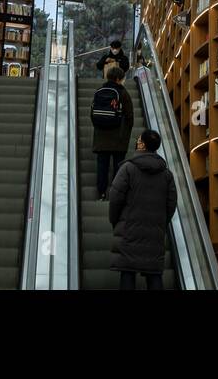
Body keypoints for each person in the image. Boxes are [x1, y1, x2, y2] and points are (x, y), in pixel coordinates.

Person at [108, 128, 177, 290]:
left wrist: (115, 221)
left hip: (129, 230)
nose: (137, 142)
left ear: (142, 145)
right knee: (154, 274)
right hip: (155, 233)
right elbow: (171, 204)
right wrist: (160, 222)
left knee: (127, 271)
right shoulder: (167, 175)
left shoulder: (128, 169)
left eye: (139, 140)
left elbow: (115, 198)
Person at [91, 65, 133, 200]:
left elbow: (92, 113)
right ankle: (116, 194)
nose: (124, 81)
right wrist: (126, 134)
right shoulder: (123, 93)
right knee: (118, 167)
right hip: (118, 138)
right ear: (118, 79)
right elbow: (129, 116)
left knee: (102, 166)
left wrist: (98, 129)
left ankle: (101, 193)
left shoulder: (99, 91)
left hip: (101, 137)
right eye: (123, 78)